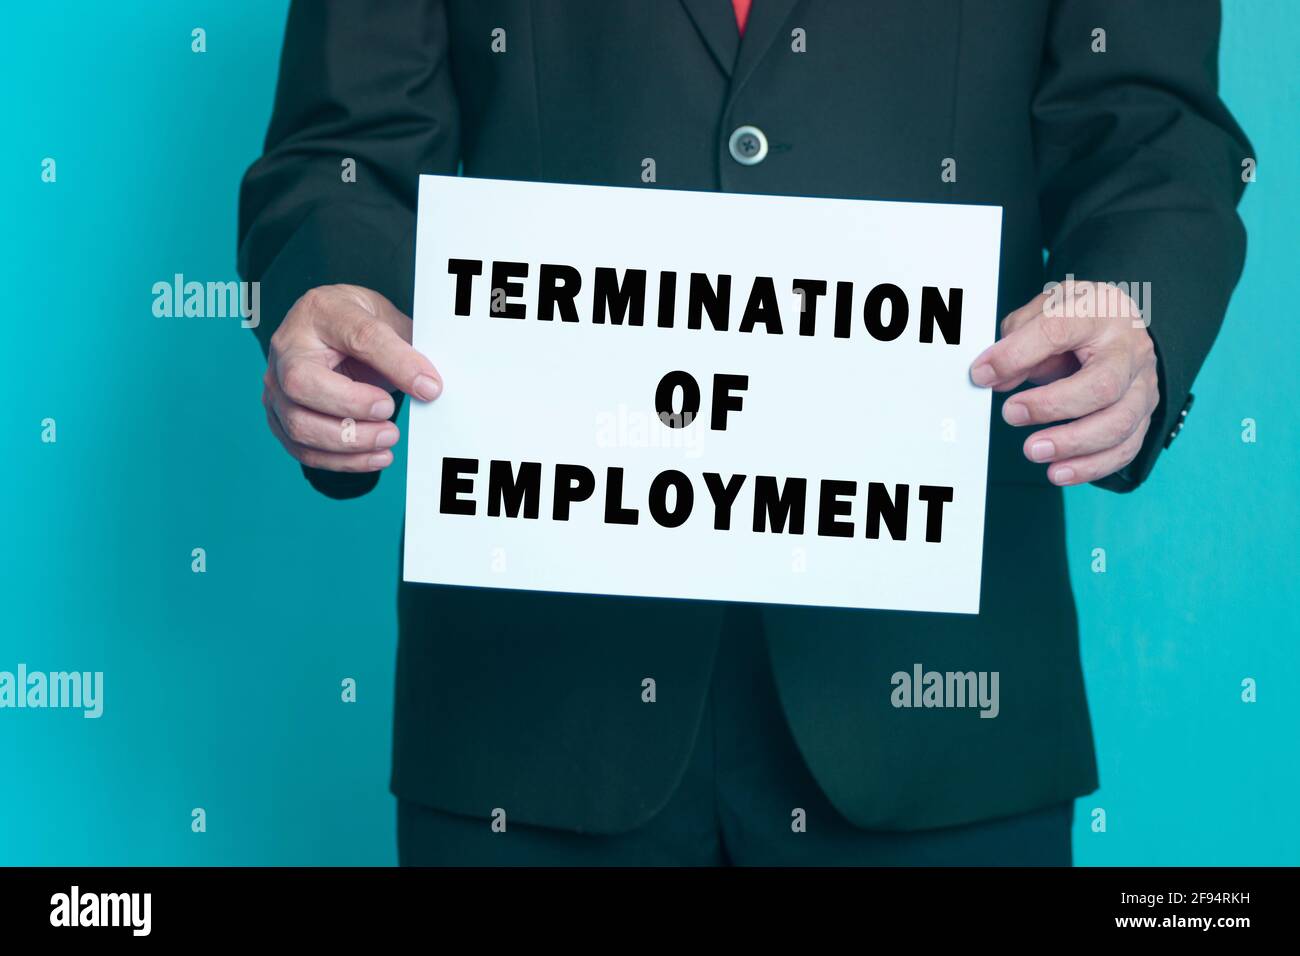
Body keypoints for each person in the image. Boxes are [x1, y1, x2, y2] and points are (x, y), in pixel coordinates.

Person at [238, 0, 1250, 865]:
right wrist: (335, 291)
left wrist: (1135, 313)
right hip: (533, 700)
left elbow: (1152, 129)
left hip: (940, 700)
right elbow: (345, 144)